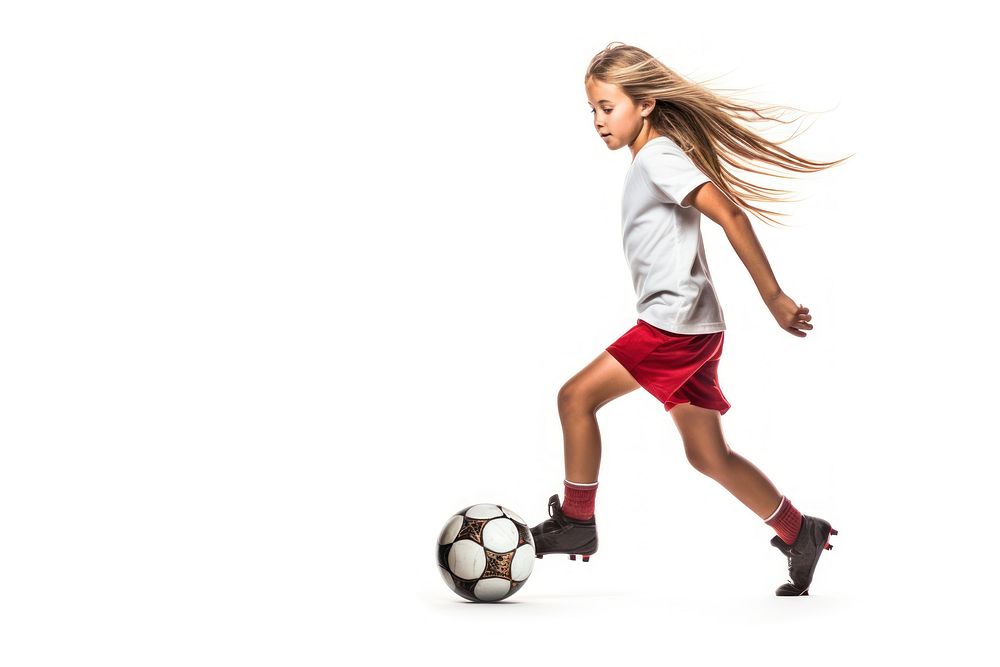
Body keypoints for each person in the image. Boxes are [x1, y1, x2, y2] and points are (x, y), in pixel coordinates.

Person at [529, 43, 851, 596]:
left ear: (645, 103)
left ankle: (578, 521)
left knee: (575, 399)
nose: (598, 121)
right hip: (693, 325)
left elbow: (730, 214)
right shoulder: (650, 159)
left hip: (672, 326)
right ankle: (800, 533)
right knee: (708, 455)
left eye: (608, 107)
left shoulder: (659, 157)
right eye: (592, 110)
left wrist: (773, 296)